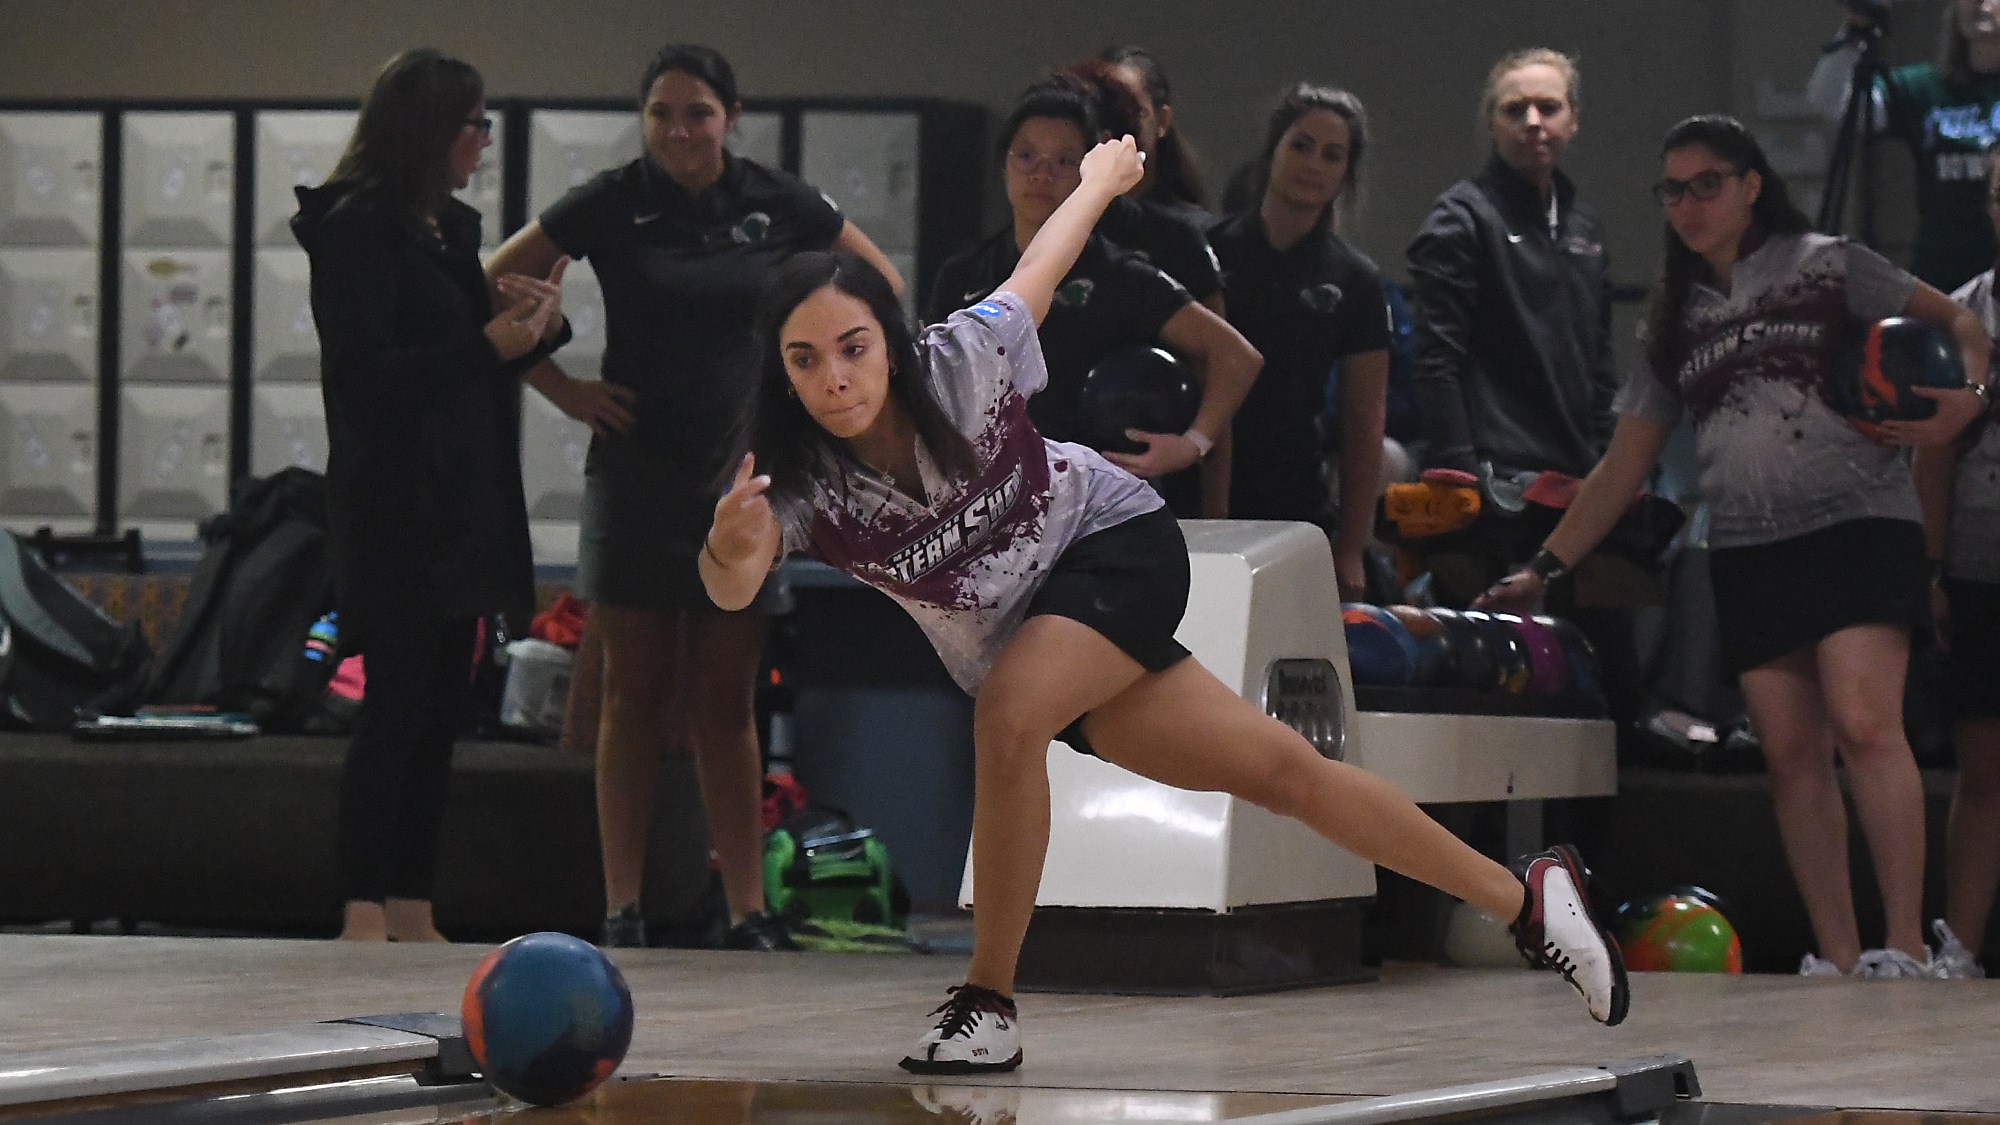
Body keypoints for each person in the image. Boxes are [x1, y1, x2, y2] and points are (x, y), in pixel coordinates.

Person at [706, 135, 1628, 1073]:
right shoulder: (800, 485)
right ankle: (1527, 900)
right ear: (782, 371)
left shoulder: (965, 360)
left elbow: (1041, 263)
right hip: (1033, 635)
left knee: (1011, 715)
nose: (835, 377)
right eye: (805, 359)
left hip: (1111, 545)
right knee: (1285, 774)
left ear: (891, 345)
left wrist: (1100, 182)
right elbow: (731, 587)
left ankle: (987, 1001)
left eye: (854, 348)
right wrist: (726, 549)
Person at [1479, 114, 1992, 978]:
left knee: (1865, 721)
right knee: (1790, 752)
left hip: (1860, 522)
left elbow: (1960, 322)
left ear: (1751, 185)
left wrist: (1966, 400)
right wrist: (1546, 564)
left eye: (1706, 185)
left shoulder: (1829, 265)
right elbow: (1623, 464)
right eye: (1673, 190)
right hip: (1750, 545)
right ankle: (1837, 952)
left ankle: (1905, 943)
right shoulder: (1675, 320)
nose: (1688, 204)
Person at [484, 44, 906, 951]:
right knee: (632, 695)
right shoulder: (610, 199)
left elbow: (882, 290)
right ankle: (622, 907)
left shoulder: (774, 200)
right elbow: (488, 285)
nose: (680, 131)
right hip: (635, 471)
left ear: (731, 117)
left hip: (743, 475)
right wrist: (564, 388)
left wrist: (816, 397)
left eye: (699, 113)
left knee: (725, 699)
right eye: (663, 114)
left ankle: (747, 907)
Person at [293, 48, 568, 942]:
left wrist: (536, 329)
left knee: (441, 712)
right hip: (395, 506)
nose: (483, 141)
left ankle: (412, 899)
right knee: (396, 707)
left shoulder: (446, 229)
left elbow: (471, 362)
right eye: (473, 125)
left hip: (461, 501)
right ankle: (361, 903)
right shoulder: (358, 228)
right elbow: (367, 377)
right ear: (429, 130)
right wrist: (486, 346)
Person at [926, 75, 1259, 517]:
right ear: (1003, 166)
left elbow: (1237, 356)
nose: (1041, 174)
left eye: (1065, 161)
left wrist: (1192, 443)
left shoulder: (1119, 274)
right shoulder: (963, 274)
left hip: (1098, 509)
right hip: (993, 509)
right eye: (1026, 156)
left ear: (1088, 172)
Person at [1407, 47, 1616, 498]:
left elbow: (1600, 364)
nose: (1533, 121)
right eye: (1515, 110)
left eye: (1549, 107)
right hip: (1495, 475)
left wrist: (1605, 463)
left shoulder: (1585, 226)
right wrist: (1460, 474)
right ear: (1492, 124)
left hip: (1579, 474)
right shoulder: (1460, 218)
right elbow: (1436, 360)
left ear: (1573, 120)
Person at [1209, 83, 1389, 600]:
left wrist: (1351, 545)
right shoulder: (1209, 252)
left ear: (1346, 175)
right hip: (1201, 488)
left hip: (1294, 498)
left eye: (1332, 155)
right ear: (1273, 151)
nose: (1313, 164)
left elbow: (1363, 422)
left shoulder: (1355, 279)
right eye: (1301, 145)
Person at [1921, 141, 2000, 978]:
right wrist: (1934, 568)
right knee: (1984, 768)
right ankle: (1960, 948)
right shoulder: (1963, 316)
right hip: (1982, 564)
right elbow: (1933, 457)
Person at [1808, 0, 2000, 292]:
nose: (1977, 3)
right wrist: (1854, 31)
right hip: (1942, 266)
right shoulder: (1925, 86)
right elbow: (1834, 102)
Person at [1098, 45, 1213, 223]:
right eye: (1104, 110)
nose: (1116, 125)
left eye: (1134, 111)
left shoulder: (1189, 228)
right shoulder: (1070, 219)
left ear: (1162, 121)